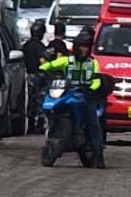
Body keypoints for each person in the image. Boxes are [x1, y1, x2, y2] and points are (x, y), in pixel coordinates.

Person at [39, 33, 106, 169]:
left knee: (93, 123)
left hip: (85, 96)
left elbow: (97, 80)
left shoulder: (93, 63)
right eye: (82, 46)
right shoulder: (66, 61)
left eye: (87, 47)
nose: (84, 49)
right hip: (68, 93)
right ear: (76, 47)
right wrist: (43, 71)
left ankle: (99, 154)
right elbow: (48, 66)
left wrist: (91, 88)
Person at [22, 20, 50, 131]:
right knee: (40, 99)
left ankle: (31, 123)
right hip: (39, 75)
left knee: (31, 99)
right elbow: (42, 60)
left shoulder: (26, 45)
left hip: (29, 75)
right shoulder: (39, 46)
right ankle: (39, 122)